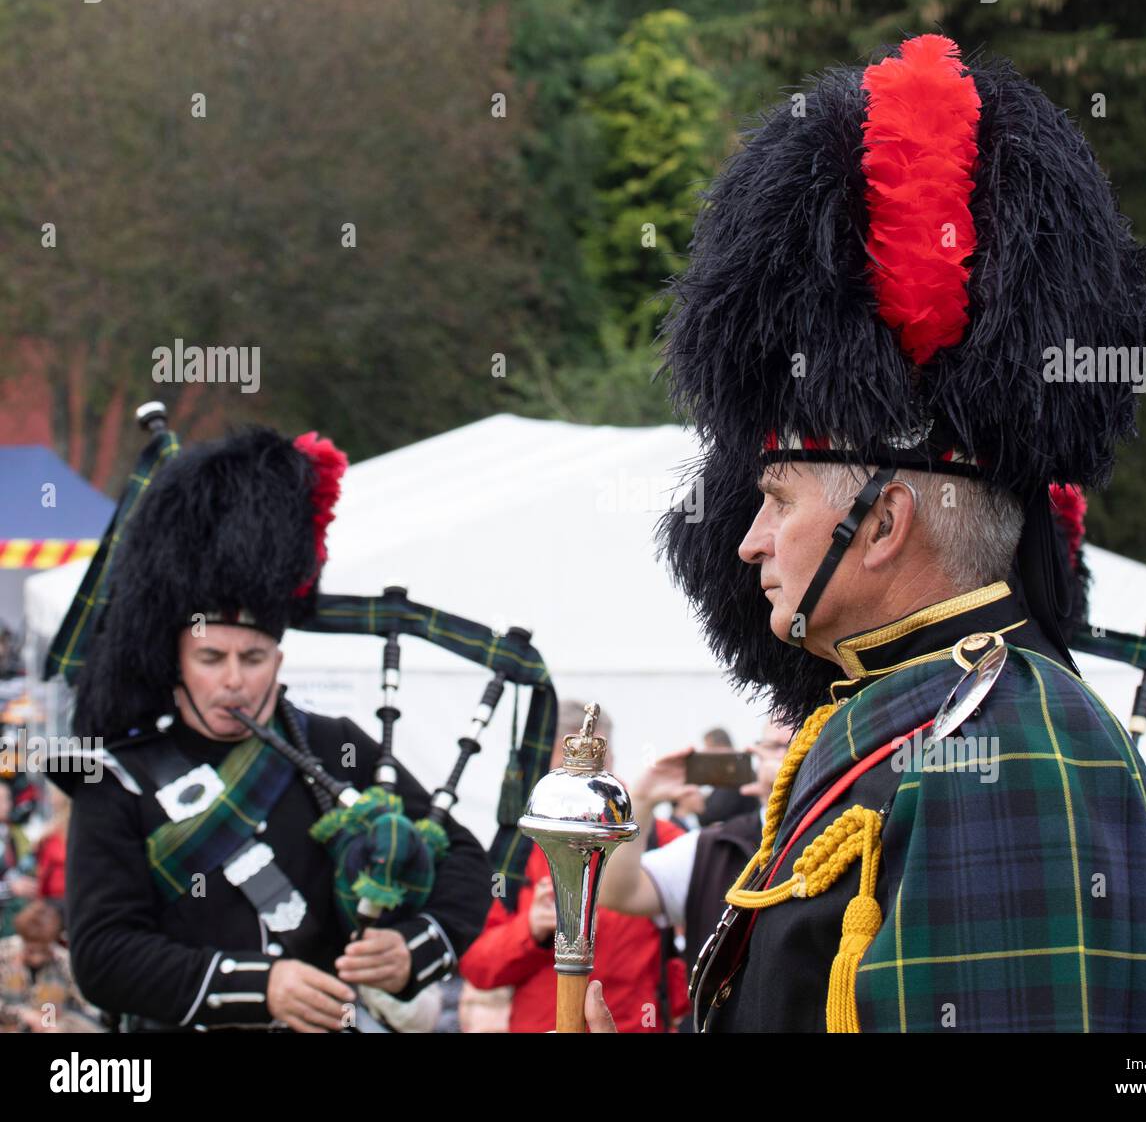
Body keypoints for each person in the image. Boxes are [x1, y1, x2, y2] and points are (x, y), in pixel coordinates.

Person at [645, 34, 1146, 1032]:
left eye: (776, 499)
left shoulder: (993, 741)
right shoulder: (918, 708)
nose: (745, 542)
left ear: (883, 524)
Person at [63, 427, 492, 1032]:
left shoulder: (335, 746)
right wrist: (261, 985)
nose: (233, 681)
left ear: (280, 661)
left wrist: (412, 948)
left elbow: (461, 856)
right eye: (212, 660)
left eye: (254, 659)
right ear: (177, 663)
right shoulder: (120, 777)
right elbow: (103, 955)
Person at [458, 700, 690, 1032]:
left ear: (607, 761)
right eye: (563, 772)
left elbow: (699, 941)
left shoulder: (654, 837)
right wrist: (530, 931)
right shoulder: (514, 853)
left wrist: (669, 1004)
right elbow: (478, 966)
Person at [599, 720, 791, 977]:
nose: (783, 759)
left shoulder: (851, 829)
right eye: (774, 747)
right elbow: (618, 893)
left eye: (792, 745)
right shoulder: (711, 845)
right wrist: (642, 801)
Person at [0, 900, 101, 1033]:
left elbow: (90, 1011)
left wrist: (62, 1026)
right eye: (30, 950)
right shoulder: (4, 954)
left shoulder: (65, 963)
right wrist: (21, 1014)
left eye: (43, 950)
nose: (37, 957)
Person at [698, 727, 761, 825]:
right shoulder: (738, 768)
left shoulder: (734, 772)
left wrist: (696, 806)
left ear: (720, 747)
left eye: (708, 749)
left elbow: (714, 813)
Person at [0, 780, 37, 937]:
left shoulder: (12, 832)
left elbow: (14, 870)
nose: (6, 805)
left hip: (13, 917)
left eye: (7, 799)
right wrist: (11, 887)